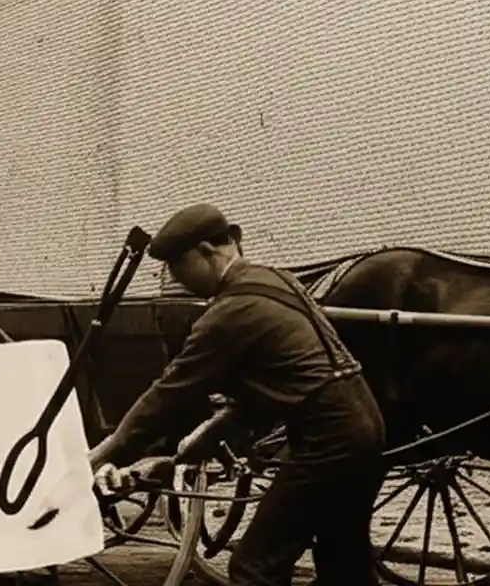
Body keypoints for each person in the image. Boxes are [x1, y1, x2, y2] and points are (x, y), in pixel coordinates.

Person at [88, 204, 388, 585]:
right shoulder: (276, 279)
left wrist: (102, 454)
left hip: (327, 439)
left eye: (176, 267)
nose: (175, 279)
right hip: (367, 425)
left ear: (206, 252)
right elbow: (281, 383)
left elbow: (168, 394)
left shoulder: (229, 312)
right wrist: (199, 442)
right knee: (344, 561)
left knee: (254, 568)